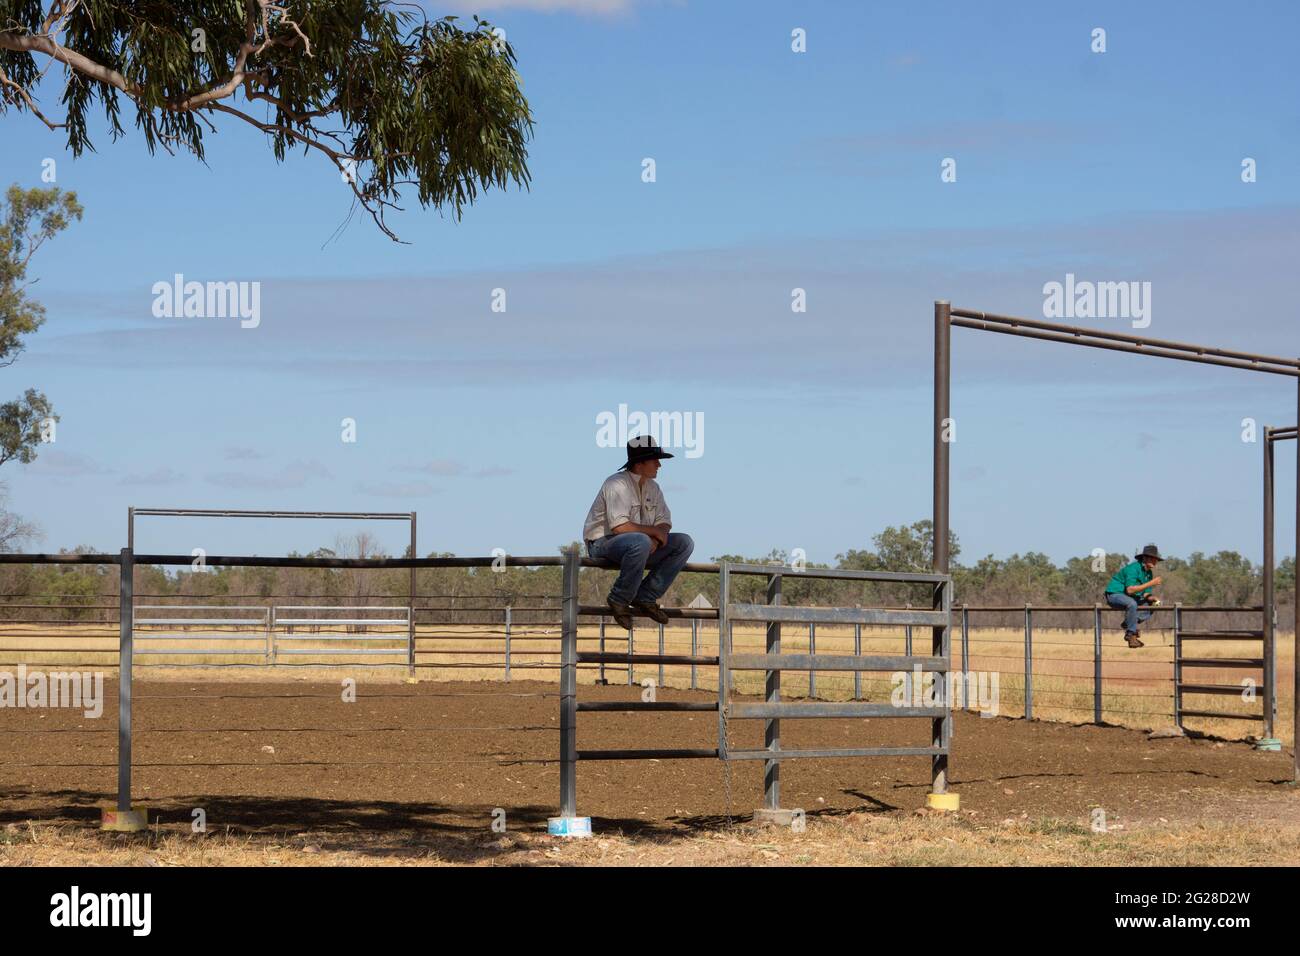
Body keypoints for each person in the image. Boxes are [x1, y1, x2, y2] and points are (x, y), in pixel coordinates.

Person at [583, 436, 694, 630]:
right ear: (640, 463)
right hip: (602, 543)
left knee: (685, 542)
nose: (659, 465)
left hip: (640, 546)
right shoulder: (616, 484)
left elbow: (664, 521)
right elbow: (619, 527)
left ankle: (646, 596)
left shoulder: (654, 488)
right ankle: (619, 598)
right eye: (655, 460)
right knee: (640, 541)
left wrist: (657, 540)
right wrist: (651, 535)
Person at [1105, 544, 1164, 648]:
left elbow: (1145, 593)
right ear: (1145, 558)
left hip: (1131, 598)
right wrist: (1151, 583)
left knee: (1157, 604)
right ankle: (1131, 635)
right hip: (1115, 595)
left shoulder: (1149, 573)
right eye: (1153, 558)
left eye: (1156, 559)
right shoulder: (1133, 568)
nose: (1155, 561)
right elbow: (1130, 590)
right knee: (1131, 603)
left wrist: (1152, 598)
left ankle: (1129, 622)